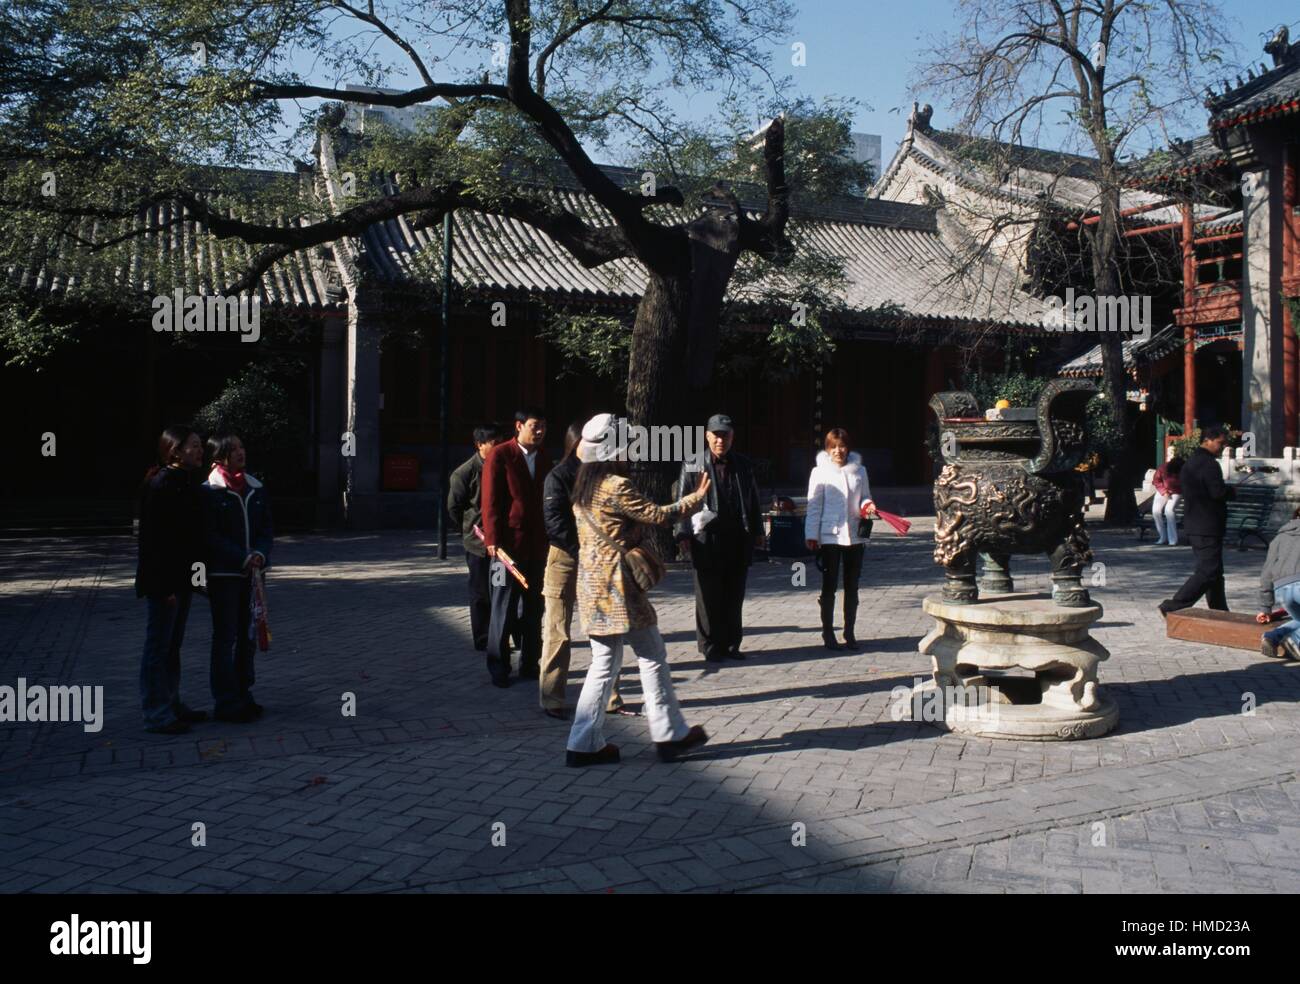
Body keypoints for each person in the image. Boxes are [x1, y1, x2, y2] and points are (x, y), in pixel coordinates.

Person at [565, 414, 712, 767]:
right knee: (652, 654)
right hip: (618, 588)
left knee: (603, 664)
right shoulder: (616, 485)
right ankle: (669, 736)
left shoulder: (584, 486)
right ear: (614, 450)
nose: (631, 452)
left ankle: (582, 743)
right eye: (627, 446)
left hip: (591, 586)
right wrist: (695, 498)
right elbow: (659, 516)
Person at [540, 420, 631, 720]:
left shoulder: (607, 474)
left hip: (600, 562)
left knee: (606, 631)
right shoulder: (558, 476)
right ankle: (552, 697)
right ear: (574, 442)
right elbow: (555, 524)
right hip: (565, 560)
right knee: (558, 631)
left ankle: (610, 698)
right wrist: (584, 553)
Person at [674, 413, 764, 665]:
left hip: (737, 538)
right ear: (707, 436)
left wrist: (758, 532)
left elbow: (753, 501)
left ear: (732, 437)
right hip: (705, 538)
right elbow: (682, 500)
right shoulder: (693, 462)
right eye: (716, 435)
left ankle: (732, 643)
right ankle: (710, 645)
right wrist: (682, 533)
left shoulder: (744, 465)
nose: (720, 440)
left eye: (725, 435)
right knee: (707, 595)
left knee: (734, 595)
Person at [135, 426, 208, 734]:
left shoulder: (186, 483)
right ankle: (156, 711)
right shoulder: (161, 484)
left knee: (172, 645)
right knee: (158, 646)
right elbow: (153, 541)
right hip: (164, 581)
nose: (200, 450)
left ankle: (171, 702)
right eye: (194, 446)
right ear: (176, 451)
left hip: (181, 579)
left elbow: (191, 539)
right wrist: (163, 587)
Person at [202, 434, 273, 722]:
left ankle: (245, 692)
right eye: (234, 449)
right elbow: (209, 536)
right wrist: (240, 557)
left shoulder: (255, 487)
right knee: (225, 636)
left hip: (254, 575)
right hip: (225, 575)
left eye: (242, 447)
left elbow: (266, 529)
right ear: (220, 456)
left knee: (249, 636)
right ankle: (225, 699)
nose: (241, 453)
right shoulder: (209, 492)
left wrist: (260, 554)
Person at [481, 407, 551, 688]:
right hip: (507, 547)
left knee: (535, 607)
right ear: (519, 425)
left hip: (538, 546)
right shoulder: (501, 455)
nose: (540, 431)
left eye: (543, 426)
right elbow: (491, 502)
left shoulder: (545, 458)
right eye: (535, 425)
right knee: (503, 606)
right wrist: (493, 542)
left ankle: (530, 663)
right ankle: (499, 665)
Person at [805, 428, 877, 651]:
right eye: (833, 446)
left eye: (842, 446)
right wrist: (811, 534)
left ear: (849, 447)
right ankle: (828, 632)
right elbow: (814, 505)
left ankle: (850, 631)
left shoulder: (860, 471)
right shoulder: (819, 472)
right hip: (830, 535)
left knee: (852, 585)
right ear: (828, 449)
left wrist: (867, 505)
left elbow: (865, 496)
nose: (839, 451)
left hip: (855, 534)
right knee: (829, 585)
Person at [1159, 425, 1233, 616]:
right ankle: (1172, 605)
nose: (1222, 447)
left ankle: (1220, 610)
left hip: (1196, 523)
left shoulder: (1191, 462)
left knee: (1215, 572)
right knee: (1208, 571)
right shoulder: (1209, 464)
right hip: (1207, 524)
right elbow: (1217, 492)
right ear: (1208, 440)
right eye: (1220, 443)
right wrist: (1232, 491)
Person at [448, 422, 504, 651]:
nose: (499, 447)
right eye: (494, 443)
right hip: (478, 543)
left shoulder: (503, 466)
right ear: (480, 445)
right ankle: (482, 638)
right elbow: (454, 507)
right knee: (481, 592)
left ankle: (500, 635)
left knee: (501, 591)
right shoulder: (465, 472)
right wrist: (469, 531)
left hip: (501, 541)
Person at [1255, 507, 1300, 660]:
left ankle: (1272, 637)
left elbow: (1267, 571)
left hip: (1282, 589)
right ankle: (1295, 641)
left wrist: (1265, 607)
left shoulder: (1280, 537)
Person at [1151, 455, 1184, 546]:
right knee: (1156, 511)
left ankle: (1173, 539)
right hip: (1163, 489)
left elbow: (1184, 484)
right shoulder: (1163, 467)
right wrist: (1164, 492)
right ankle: (1162, 536)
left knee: (1169, 510)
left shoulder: (1183, 470)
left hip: (1176, 491)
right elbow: (1156, 480)